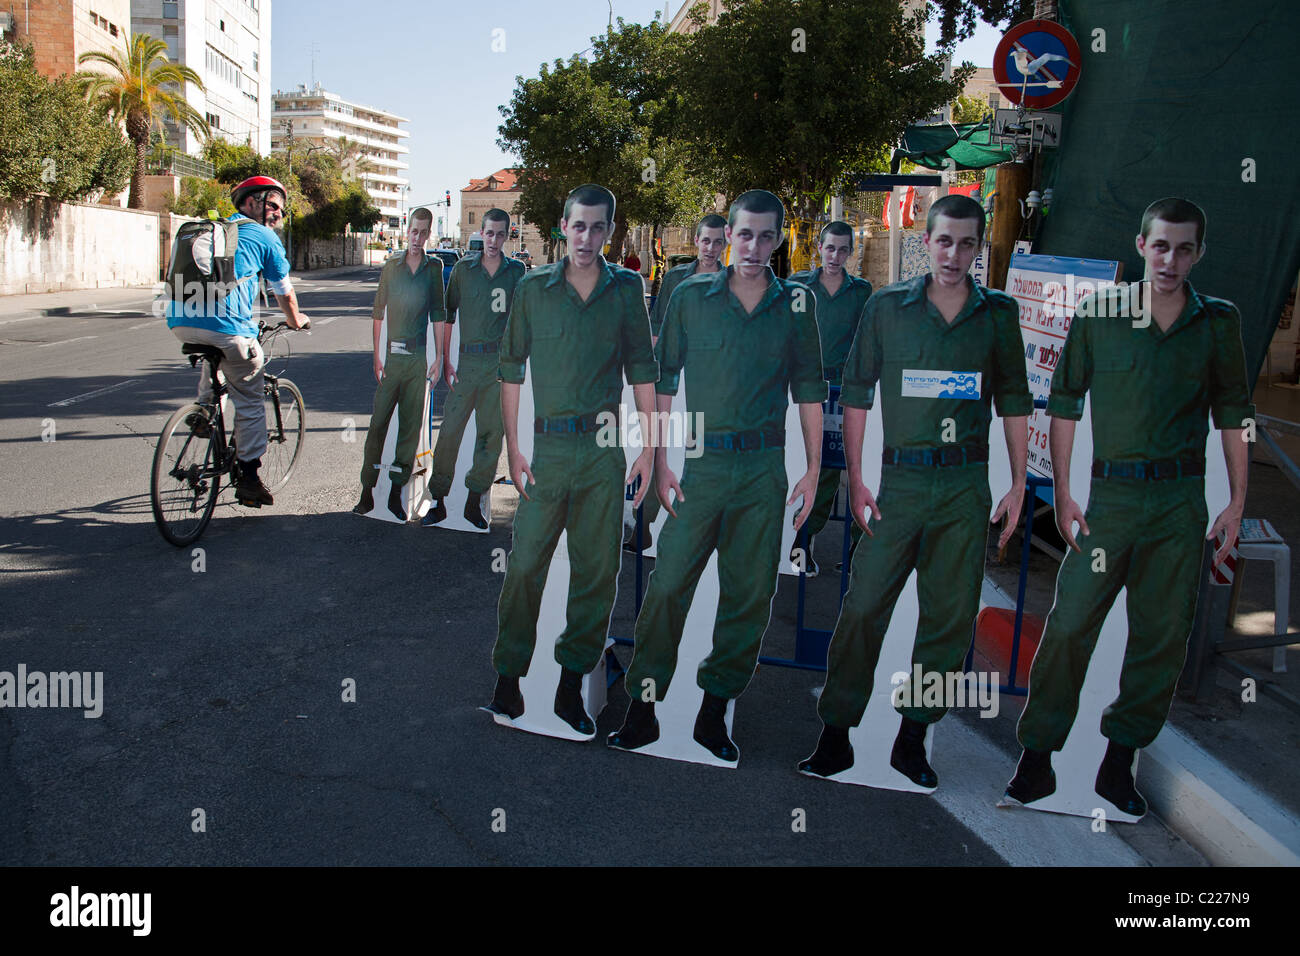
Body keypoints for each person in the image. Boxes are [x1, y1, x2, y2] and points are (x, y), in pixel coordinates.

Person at [1005, 198, 1252, 817]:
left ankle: (1118, 764)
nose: (1171, 259)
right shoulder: (1100, 314)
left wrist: (1237, 499)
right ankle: (1037, 760)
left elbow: (1234, 416)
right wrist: (1062, 492)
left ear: (1199, 253)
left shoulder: (1218, 322)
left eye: (1185, 248)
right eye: (1160, 245)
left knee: (1162, 638)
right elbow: (1063, 403)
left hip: (1178, 505)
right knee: (1068, 629)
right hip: (1108, 503)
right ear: (1141, 246)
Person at [799, 194, 1032, 787]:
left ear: (979, 249)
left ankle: (912, 736)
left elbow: (1012, 401)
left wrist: (1016, 481)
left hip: (962, 489)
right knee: (863, 608)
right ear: (925, 242)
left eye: (967, 243)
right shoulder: (887, 307)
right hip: (896, 485)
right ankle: (836, 733)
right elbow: (855, 394)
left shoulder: (998, 314)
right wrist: (856, 480)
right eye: (944, 240)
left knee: (949, 623)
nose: (954, 254)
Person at [608, 190, 826, 761]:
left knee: (749, 599)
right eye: (744, 234)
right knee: (668, 587)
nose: (753, 247)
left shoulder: (796, 306)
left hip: (762, 473)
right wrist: (655, 458)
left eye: (766, 236)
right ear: (728, 235)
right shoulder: (690, 298)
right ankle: (644, 708)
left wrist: (813, 469)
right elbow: (664, 383)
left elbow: (808, 390)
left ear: (780, 241)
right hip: (699, 469)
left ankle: (712, 711)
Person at [486, 184, 659, 737]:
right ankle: (508, 677)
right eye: (577, 226)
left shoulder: (627, 288)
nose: (586, 238)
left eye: (598, 227)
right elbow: (510, 371)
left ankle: (568, 686)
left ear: (610, 231)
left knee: (596, 574)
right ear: (563, 226)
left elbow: (643, 373)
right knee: (524, 569)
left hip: (605, 453)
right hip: (548, 450)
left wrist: (649, 450)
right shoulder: (533, 288)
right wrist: (513, 450)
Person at [167, 175, 310, 507]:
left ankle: (204, 408)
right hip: (227, 327)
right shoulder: (263, 237)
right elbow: (284, 294)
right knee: (248, 390)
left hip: (179, 321)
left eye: (281, 209)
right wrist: (296, 320)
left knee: (218, 353)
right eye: (273, 205)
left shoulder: (215, 231)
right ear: (251, 203)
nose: (278, 214)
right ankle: (248, 476)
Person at [626, 213, 728, 553]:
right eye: (706, 240)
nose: (711, 248)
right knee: (660, 451)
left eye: (718, 241)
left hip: (710, 384)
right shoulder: (674, 279)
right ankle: (644, 526)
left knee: (701, 456)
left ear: (725, 244)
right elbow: (657, 328)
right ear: (696, 241)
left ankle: (697, 536)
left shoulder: (734, 284)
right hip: (671, 380)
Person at [422, 208, 525, 529]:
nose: (493, 240)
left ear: (508, 236)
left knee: (490, 437)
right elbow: (448, 314)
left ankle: (473, 502)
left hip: (498, 367)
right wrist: (444, 357)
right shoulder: (464, 271)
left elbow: (523, 320)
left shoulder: (516, 272)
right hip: (466, 363)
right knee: (450, 432)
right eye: (489, 233)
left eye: (500, 234)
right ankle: (437, 500)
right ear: (481, 233)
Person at [789, 221, 874, 574]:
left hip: (844, 393)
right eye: (830, 248)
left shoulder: (862, 292)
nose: (836, 256)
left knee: (845, 468)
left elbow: (868, 339)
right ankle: (798, 541)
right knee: (807, 464)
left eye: (843, 249)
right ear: (819, 248)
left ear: (851, 252)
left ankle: (853, 548)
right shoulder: (797, 286)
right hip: (804, 389)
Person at [352, 208, 445, 521]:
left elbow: (438, 314)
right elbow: (379, 311)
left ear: (429, 233)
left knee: (409, 429)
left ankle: (396, 495)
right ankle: (367, 491)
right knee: (377, 425)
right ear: (407, 230)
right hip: (392, 356)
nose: (417, 238)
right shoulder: (392, 265)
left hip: (418, 359)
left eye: (423, 233)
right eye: (413, 231)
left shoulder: (435, 268)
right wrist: (376, 355)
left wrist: (440, 357)